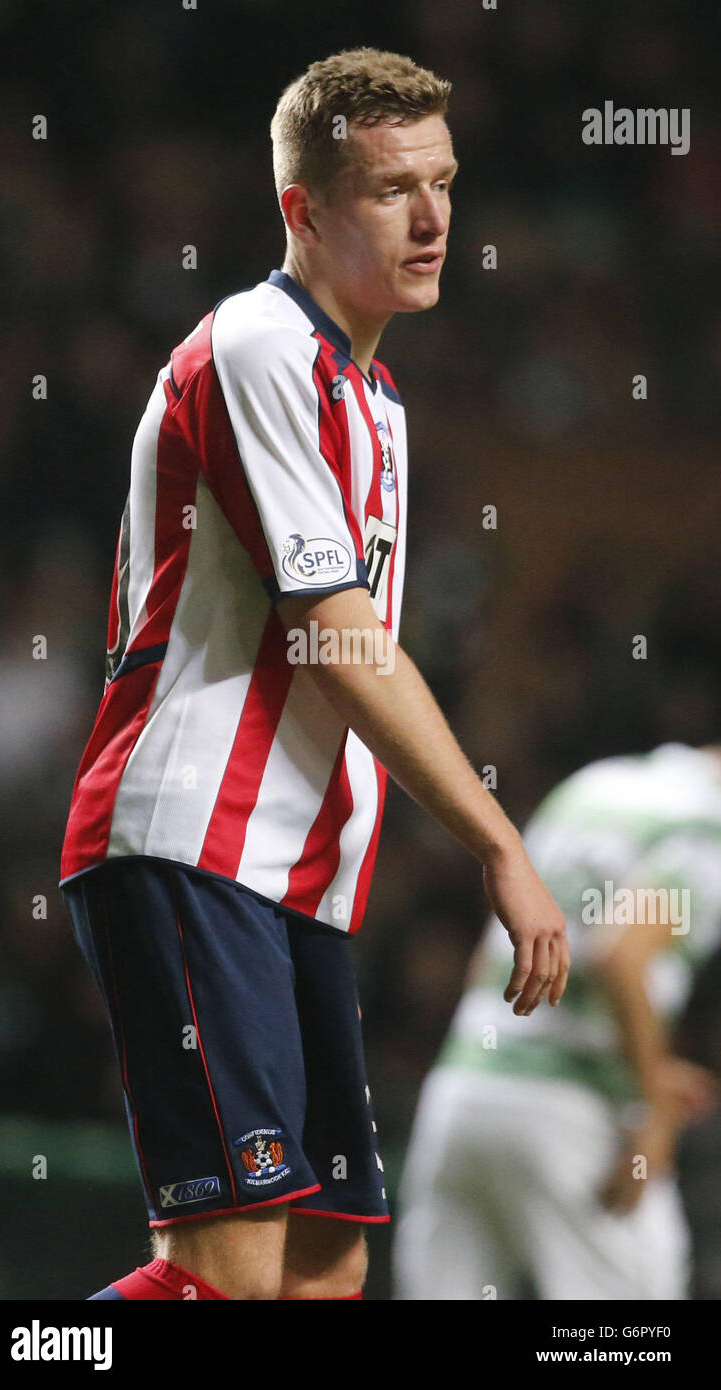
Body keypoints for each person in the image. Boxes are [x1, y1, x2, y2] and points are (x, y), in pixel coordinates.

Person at [59, 46, 569, 1303]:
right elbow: (333, 632)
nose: (436, 217)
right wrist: (499, 841)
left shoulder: (378, 402)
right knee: (222, 1281)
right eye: (395, 189)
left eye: (445, 182)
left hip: (298, 884)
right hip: (194, 842)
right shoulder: (256, 343)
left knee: (323, 1280)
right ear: (303, 208)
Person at [393, 741, 721, 1301]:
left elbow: (497, 945)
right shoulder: (704, 825)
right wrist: (655, 1112)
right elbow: (621, 957)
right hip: (574, 1115)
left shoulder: (596, 783)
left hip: (463, 1095)